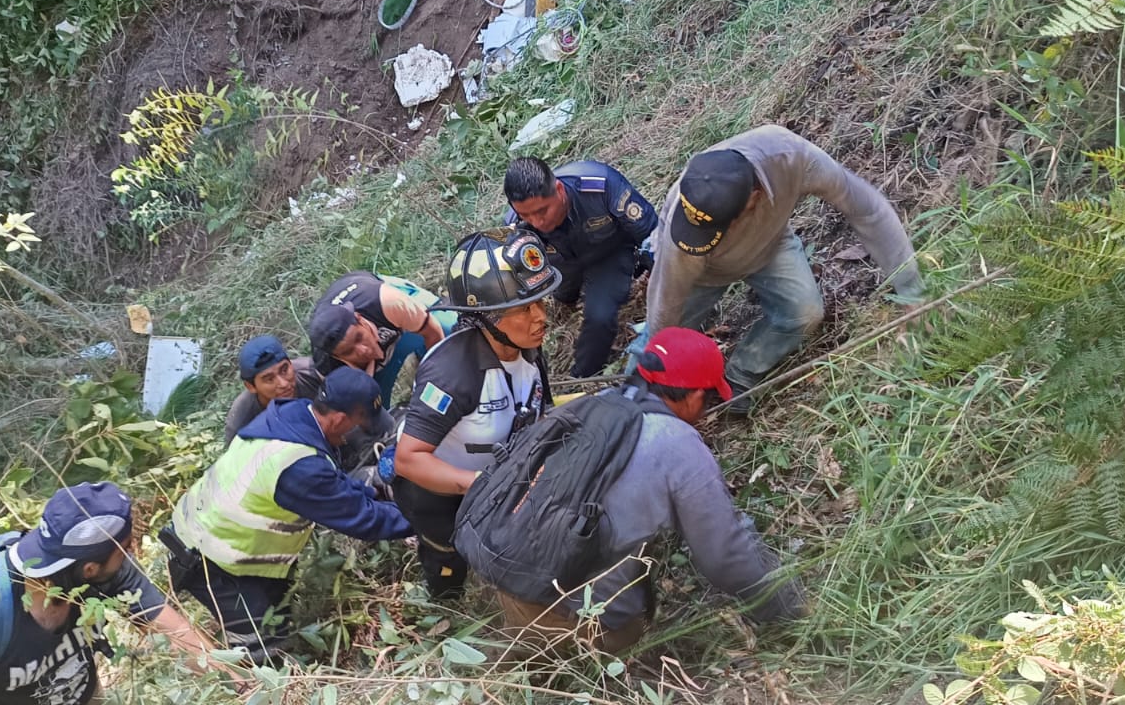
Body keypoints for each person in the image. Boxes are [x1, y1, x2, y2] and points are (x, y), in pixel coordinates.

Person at [478, 327, 808, 653]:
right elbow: (725, 555)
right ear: (694, 396)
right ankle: (552, 649)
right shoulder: (677, 445)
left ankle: (521, 639)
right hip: (575, 618)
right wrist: (789, 614)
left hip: (508, 575)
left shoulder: (591, 405)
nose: (707, 411)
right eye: (708, 398)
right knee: (636, 624)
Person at [642, 125, 924, 412]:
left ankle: (739, 377)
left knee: (804, 313)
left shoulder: (791, 156)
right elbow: (667, 301)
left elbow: (867, 209)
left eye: (718, 227)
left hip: (769, 243)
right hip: (700, 271)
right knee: (659, 353)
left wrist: (912, 292)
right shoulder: (687, 231)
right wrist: (658, 375)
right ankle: (637, 409)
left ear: (755, 197)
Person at [161, 367, 412, 662]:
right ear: (340, 419)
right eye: (359, 425)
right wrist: (426, 522)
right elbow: (365, 520)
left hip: (223, 542)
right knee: (263, 648)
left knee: (276, 616)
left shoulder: (295, 415)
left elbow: (337, 485)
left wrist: (371, 492)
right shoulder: (298, 467)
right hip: (210, 558)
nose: (354, 435)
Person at [0, 482, 218, 705]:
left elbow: (177, 636)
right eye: (125, 549)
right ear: (89, 569)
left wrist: (242, 684)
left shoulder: (103, 572)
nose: (132, 554)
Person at [393, 228, 559, 600]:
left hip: (498, 475)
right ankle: (446, 605)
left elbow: (538, 410)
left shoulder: (529, 351)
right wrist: (480, 483)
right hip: (436, 493)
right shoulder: (453, 374)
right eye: (523, 309)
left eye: (541, 303)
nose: (540, 318)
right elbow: (408, 459)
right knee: (448, 556)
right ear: (485, 317)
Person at [504, 156, 658, 378]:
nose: (537, 222)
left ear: (558, 189)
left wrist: (657, 273)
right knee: (564, 298)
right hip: (560, 265)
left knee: (599, 316)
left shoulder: (600, 187)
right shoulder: (515, 227)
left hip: (608, 253)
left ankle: (583, 376)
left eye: (542, 211)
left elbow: (652, 234)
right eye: (526, 215)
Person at [308, 272, 458, 400]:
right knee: (373, 401)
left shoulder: (386, 301)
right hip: (377, 341)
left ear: (360, 319)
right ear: (337, 356)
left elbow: (432, 331)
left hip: (390, 314)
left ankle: (421, 357)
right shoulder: (331, 370)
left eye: (359, 338)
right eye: (348, 352)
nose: (363, 350)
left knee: (454, 329)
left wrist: (439, 379)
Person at [224, 334, 322, 445]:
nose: (283, 384)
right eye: (269, 379)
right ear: (251, 386)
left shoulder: (313, 373)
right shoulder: (241, 419)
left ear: (290, 363)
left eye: (284, 370)